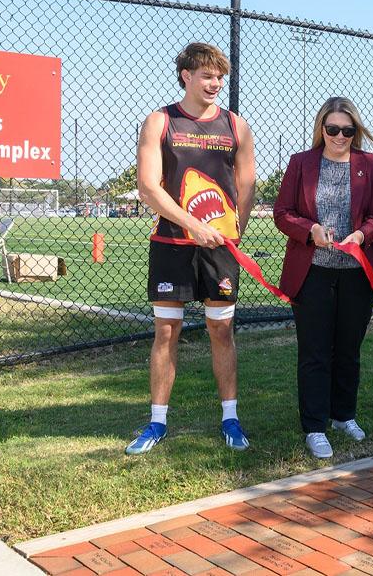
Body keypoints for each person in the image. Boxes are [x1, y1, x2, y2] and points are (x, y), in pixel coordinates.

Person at [128, 42, 257, 454]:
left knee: (222, 328)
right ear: (186, 75)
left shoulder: (237, 126)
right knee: (167, 330)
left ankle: (231, 419)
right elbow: (148, 186)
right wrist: (192, 226)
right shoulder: (159, 121)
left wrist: (232, 231)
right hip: (172, 243)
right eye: (207, 75)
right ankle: (156, 422)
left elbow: (247, 185)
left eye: (220, 76)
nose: (215, 83)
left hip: (219, 247)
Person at [274, 97, 373, 459]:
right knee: (314, 351)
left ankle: (343, 415)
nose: (340, 136)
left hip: (357, 273)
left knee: (348, 349)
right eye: (333, 129)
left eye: (348, 130)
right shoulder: (301, 163)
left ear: (356, 131)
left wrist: (362, 236)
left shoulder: (371, 165)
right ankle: (314, 425)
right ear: (321, 128)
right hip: (312, 272)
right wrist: (309, 229)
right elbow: (282, 213)